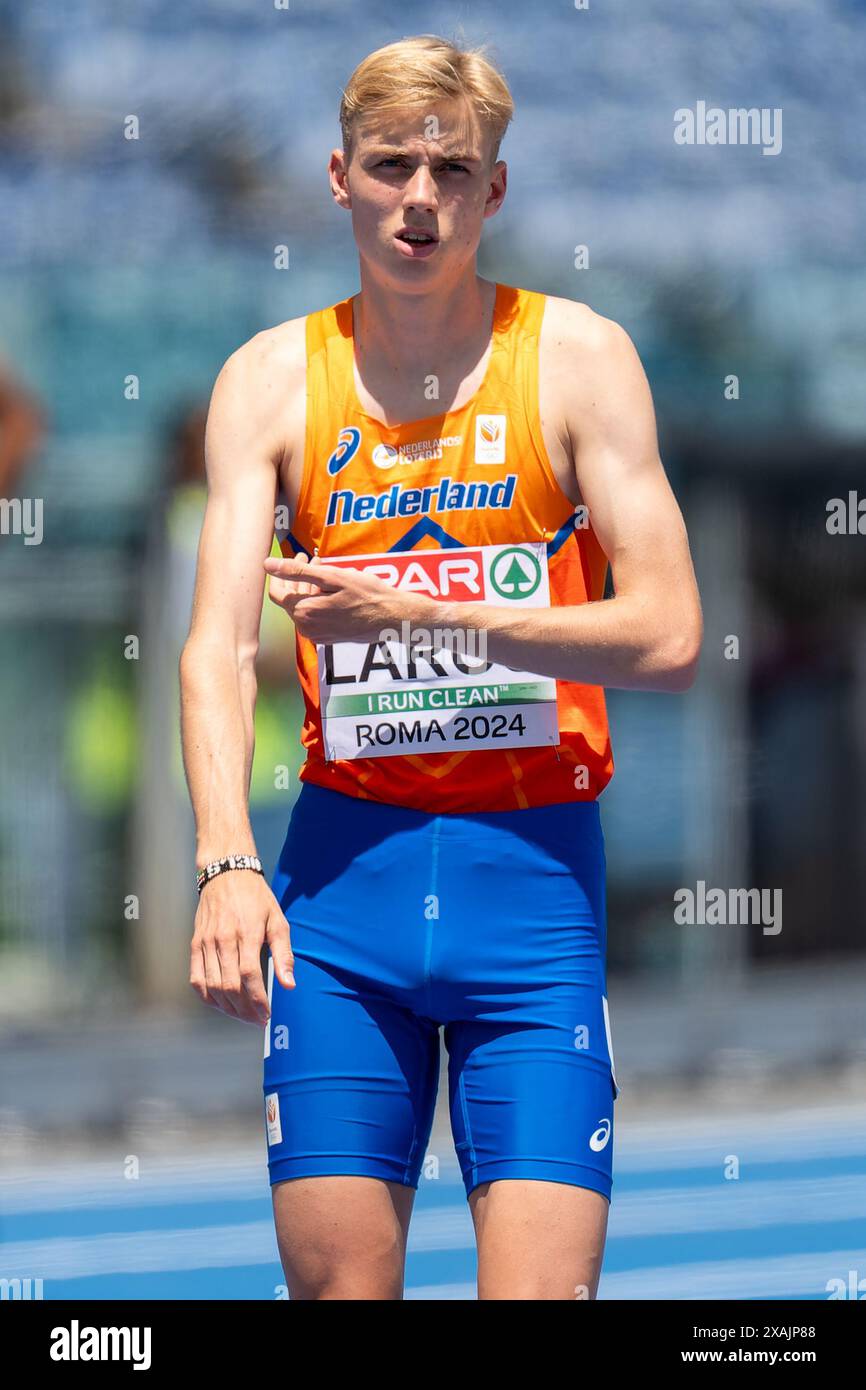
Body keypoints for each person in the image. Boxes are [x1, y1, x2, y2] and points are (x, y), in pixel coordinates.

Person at [180, 34, 702, 1300]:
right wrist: (223, 863)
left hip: (530, 900)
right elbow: (211, 648)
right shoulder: (267, 384)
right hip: (339, 902)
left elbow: (672, 633)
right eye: (390, 165)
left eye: (450, 170)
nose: (419, 197)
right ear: (338, 178)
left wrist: (420, 617)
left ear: (494, 191)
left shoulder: (576, 360)